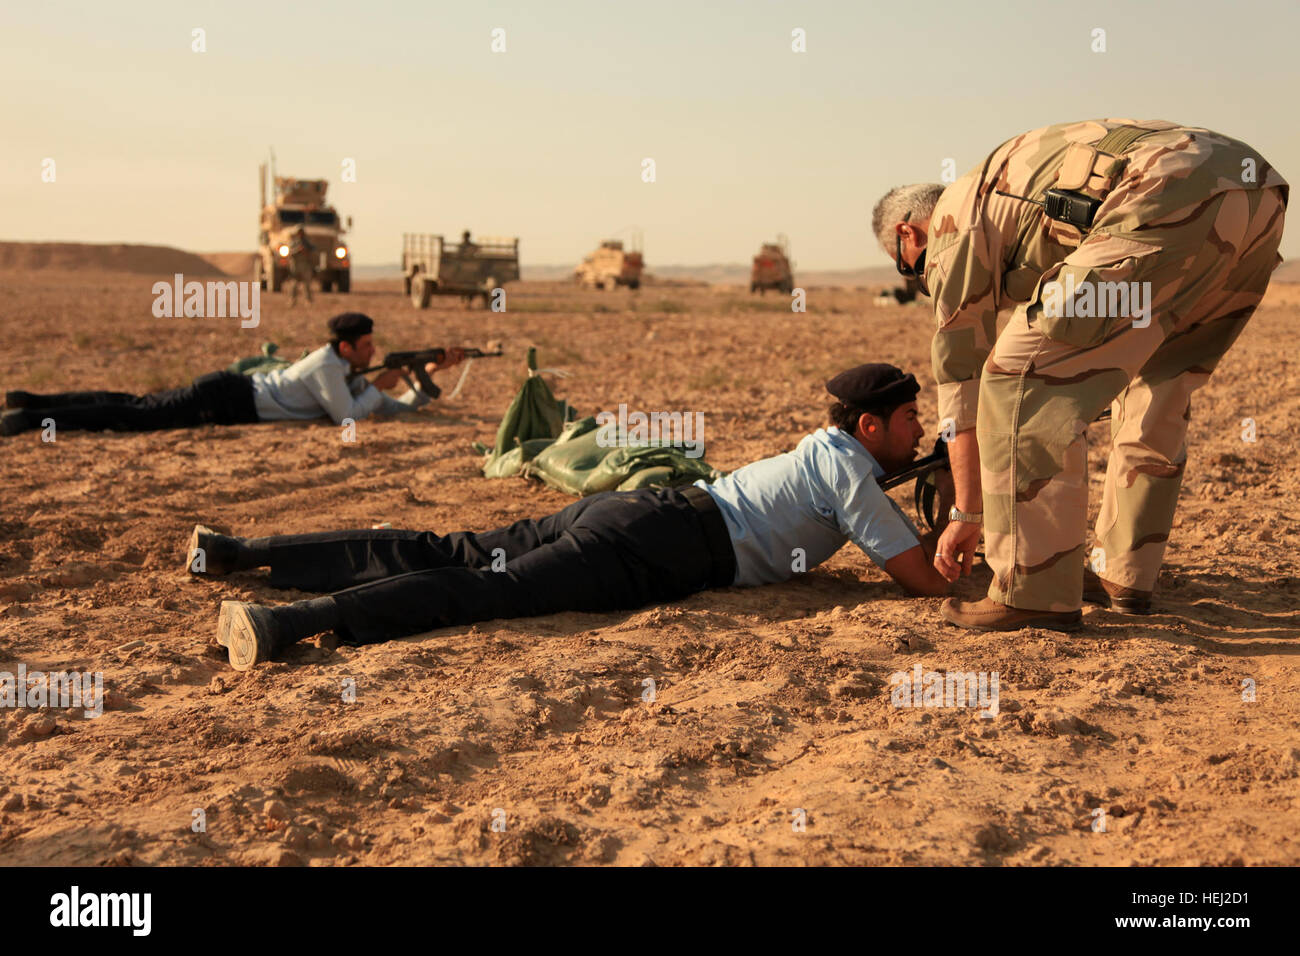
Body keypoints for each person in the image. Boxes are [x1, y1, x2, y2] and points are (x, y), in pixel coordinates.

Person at [189, 363, 957, 669]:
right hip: (665, 544)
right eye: (911, 421)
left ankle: (244, 551)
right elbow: (920, 581)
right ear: (870, 427)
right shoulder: (851, 470)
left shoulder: (826, 451)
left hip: (640, 509)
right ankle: (287, 624)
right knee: (489, 592)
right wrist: (968, 521)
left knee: (453, 547)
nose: (918, 433)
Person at [873, 119, 1288, 630]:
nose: (923, 283)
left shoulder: (952, 222)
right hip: (1256, 195)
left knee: (1018, 377)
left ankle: (1033, 591)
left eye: (910, 270)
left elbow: (962, 376)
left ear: (908, 233)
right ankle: (1124, 574)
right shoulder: (1004, 192)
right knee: (1158, 382)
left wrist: (966, 514)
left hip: (1164, 190)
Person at [2, 313, 466, 436]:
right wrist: (375, 385)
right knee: (135, 414)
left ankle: (37, 402)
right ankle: (32, 417)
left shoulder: (347, 370)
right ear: (346, 347)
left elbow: (398, 410)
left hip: (230, 397)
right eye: (367, 347)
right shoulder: (328, 366)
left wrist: (425, 374)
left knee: (134, 402)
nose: (373, 353)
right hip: (227, 396)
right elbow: (345, 417)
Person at [288, 226, 316, 306]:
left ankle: (308, 301)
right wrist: (298, 250)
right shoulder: (294, 243)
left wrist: (306, 251)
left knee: (307, 285)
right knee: (294, 285)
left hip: (305, 266)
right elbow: (290, 253)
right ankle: (292, 300)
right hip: (296, 267)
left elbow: (313, 250)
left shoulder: (307, 243)